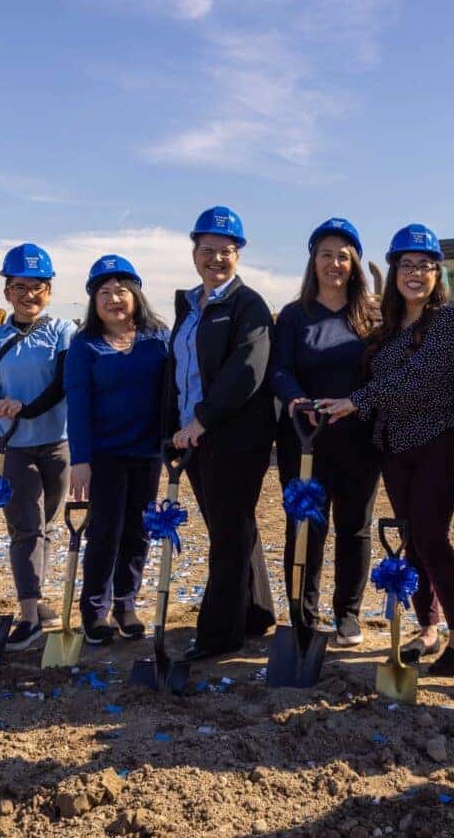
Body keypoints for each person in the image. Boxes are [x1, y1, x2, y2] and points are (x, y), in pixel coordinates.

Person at [322, 224, 454, 677]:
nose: (415, 273)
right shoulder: (385, 328)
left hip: (439, 443)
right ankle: (427, 628)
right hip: (394, 447)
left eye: (425, 265)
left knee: (431, 536)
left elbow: (424, 376)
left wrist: (358, 401)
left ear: (437, 274)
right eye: (406, 264)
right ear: (394, 272)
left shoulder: (450, 321)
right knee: (411, 539)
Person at [165, 207, 278, 661]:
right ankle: (255, 612)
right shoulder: (190, 306)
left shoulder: (248, 305)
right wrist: (173, 428)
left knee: (228, 534)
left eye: (226, 251)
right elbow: (178, 373)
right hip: (195, 438)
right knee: (232, 527)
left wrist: (203, 419)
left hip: (234, 438)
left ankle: (219, 634)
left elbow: (246, 371)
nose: (216, 259)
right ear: (194, 253)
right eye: (207, 250)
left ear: (239, 255)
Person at [270, 218, 382, 648]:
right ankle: (303, 613)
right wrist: (296, 399)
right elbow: (279, 368)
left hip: (358, 440)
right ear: (313, 261)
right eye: (326, 255)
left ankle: (347, 615)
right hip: (303, 440)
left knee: (354, 526)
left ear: (354, 264)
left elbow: (383, 372)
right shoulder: (294, 316)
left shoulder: (371, 316)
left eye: (343, 256)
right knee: (305, 526)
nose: (334, 263)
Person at [0, 243, 76, 652]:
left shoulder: (63, 331)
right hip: (12, 445)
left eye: (37, 287)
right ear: (7, 292)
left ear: (48, 291)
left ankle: (37, 595)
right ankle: (29, 614)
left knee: (47, 525)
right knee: (26, 527)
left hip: (57, 442)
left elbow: (63, 383)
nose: (28, 295)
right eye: (20, 287)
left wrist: (27, 409)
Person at [64, 255, 168, 645]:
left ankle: (126, 603)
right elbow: (77, 404)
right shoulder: (84, 345)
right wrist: (80, 459)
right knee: (105, 531)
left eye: (121, 290)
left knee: (138, 531)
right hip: (104, 455)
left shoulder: (158, 339)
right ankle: (94, 610)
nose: (114, 299)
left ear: (136, 295)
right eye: (104, 292)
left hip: (147, 453)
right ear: (94, 302)